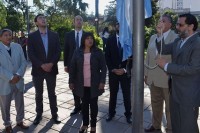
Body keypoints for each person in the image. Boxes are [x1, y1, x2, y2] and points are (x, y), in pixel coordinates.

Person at [156, 13, 200, 133]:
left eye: (180, 25)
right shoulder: (178, 41)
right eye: (176, 24)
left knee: (188, 127)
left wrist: (166, 66)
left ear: (191, 26)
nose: (177, 27)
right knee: (176, 125)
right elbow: (163, 48)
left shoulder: (197, 43)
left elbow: (192, 68)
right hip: (175, 91)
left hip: (188, 95)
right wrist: (160, 34)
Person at [144, 14, 178, 132]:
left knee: (169, 107)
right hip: (153, 77)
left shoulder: (176, 38)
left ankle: (170, 128)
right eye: (159, 20)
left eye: (163, 21)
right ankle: (156, 125)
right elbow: (148, 56)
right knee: (155, 103)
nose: (160, 23)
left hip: (167, 78)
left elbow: (171, 56)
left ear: (170, 24)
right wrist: (146, 73)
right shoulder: (153, 37)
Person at [69, 32, 107, 133]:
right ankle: (85, 124)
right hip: (81, 84)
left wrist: (102, 82)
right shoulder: (77, 52)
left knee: (94, 105)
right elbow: (72, 67)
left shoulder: (98, 52)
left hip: (94, 84)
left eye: (91, 38)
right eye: (87, 38)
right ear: (83, 40)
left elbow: (104, 68)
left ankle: (93, 125)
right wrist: (71, 81)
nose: (90, 40)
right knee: (84, 106)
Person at [28, 14, 61, 125]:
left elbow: (58, 51)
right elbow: (31, 54)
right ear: (36, 22)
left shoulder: (54, 35)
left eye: (44, 18)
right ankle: (39, 114)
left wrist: (51, 64)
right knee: (38, 94)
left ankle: (54, 114)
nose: (43, 19)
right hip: (38, 70)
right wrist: (42, 65)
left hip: (51, 69)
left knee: (52, 93)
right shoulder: (32, 36)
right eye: (40, 18)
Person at [0, 29, 28, 133]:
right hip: (4, 82)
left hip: (18, 80)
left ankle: (20, 120)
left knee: (20, 102)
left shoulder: (17, 46)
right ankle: (7, 124)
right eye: (5, 35)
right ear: (0, 37)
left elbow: (24, 62)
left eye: (10, 35)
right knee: (5, 105)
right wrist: (11, 77)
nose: (8, 37)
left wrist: (18, 75)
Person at [105, 22, 132, 124]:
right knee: (113, 94)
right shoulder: (110, 40)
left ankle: (128, 114)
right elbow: (107, 56)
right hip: (113, 73)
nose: (119, 26)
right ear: (115, 26)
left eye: (122, 24)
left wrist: (125, 69)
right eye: (117, 24)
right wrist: (113, 69)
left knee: (126, 95)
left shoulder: (129, 40)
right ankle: (111, 113)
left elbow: (133, 57)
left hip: (125, 73)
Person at [64, 15, 85, 116]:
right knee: (74, 86)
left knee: (85, 85)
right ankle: (77, 106)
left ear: (82, 22)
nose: (79, 21)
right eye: (77, 20)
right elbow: (66, 50)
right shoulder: (69, 35)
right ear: (74, 22)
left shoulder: (87, 34)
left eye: (81, 20)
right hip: (72, 65)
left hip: (85, 64)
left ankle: (84, 105)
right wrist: (66, 65)